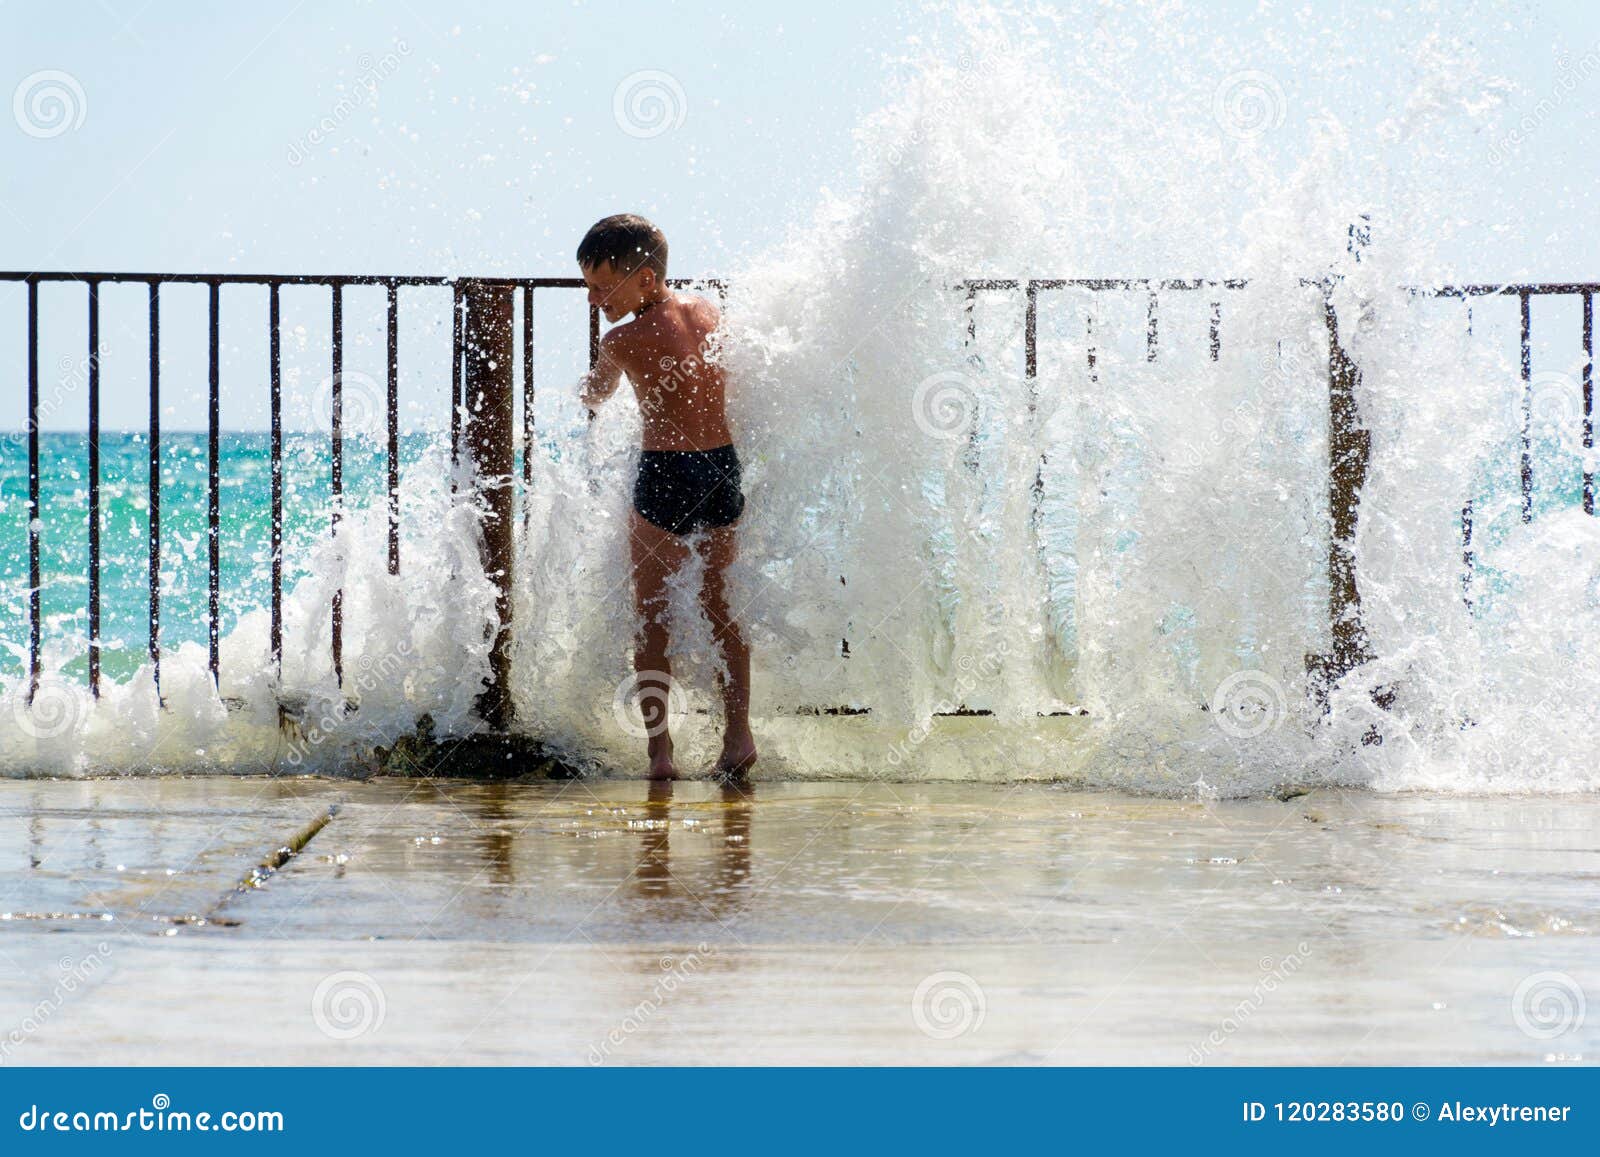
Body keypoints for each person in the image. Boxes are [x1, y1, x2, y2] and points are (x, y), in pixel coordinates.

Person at [576, 213, 756, 780]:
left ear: (646, 280)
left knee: (652, 616)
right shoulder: (709, 312)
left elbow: (596, 396)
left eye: (604, 287)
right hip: (722, 469)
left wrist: (584, 389)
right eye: (589, 289)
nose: (595, 299)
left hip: (666, 475)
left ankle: (660, 753)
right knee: (720, 607)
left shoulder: (621, 340)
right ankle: (739, 736)